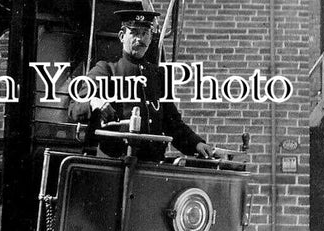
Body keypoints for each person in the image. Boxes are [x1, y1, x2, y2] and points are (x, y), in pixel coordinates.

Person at [69, 10, 215, 161]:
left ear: (151, 38)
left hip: (151, 165)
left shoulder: (158, 76)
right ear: (121, 36)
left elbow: (173, 124)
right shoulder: (106, 70)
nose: (141, 38)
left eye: (146, 33)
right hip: (114, 164)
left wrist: (197, 143)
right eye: (134, 32)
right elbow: (75, 106)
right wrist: (94, 101)